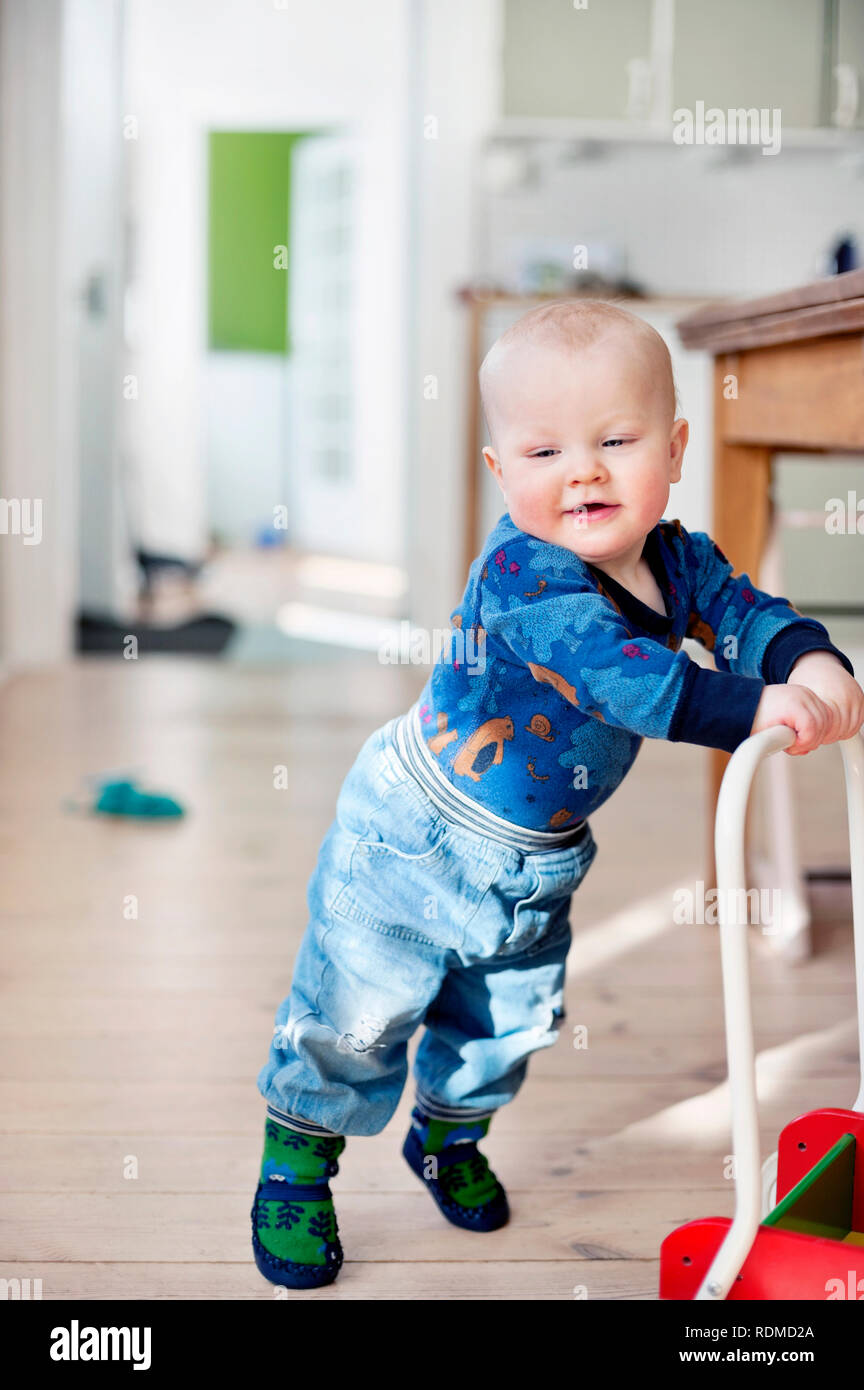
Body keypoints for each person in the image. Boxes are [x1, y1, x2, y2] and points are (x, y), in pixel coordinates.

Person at [252, 299, 863, 1289]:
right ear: (501, 471)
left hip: (536, 855)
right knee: (358, 1014)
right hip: (415, 837)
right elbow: (627, 677)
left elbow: (744, 611)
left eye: (616, 441)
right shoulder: (524, 576)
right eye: (543, 452)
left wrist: (809, 658)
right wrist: (756, 706)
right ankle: (296, 1165)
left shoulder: (678, 559)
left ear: (672, 449)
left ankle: (445, 1138)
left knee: (506, 1023)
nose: (581, 471)